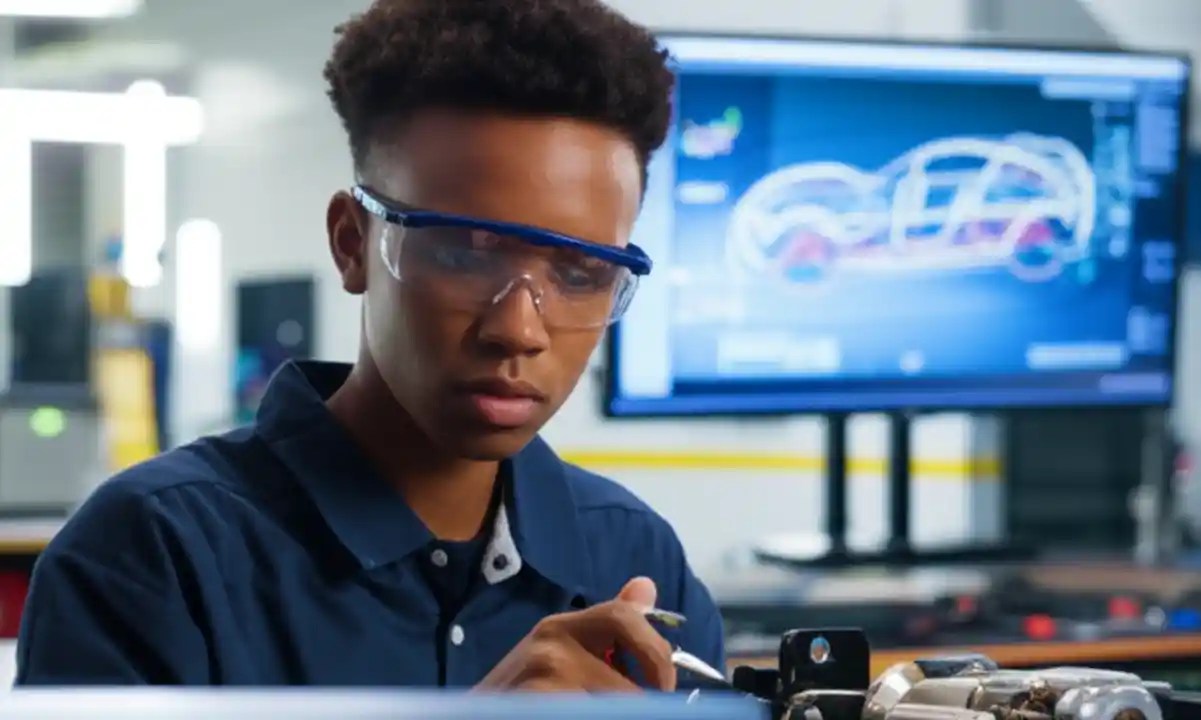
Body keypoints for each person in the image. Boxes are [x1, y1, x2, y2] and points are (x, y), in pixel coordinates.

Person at [16, 0, 723, 690]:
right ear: (353, 242)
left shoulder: (634, 554)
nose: (519, 329)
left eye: (580, 273)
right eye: (467, 255)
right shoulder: (153, 554)